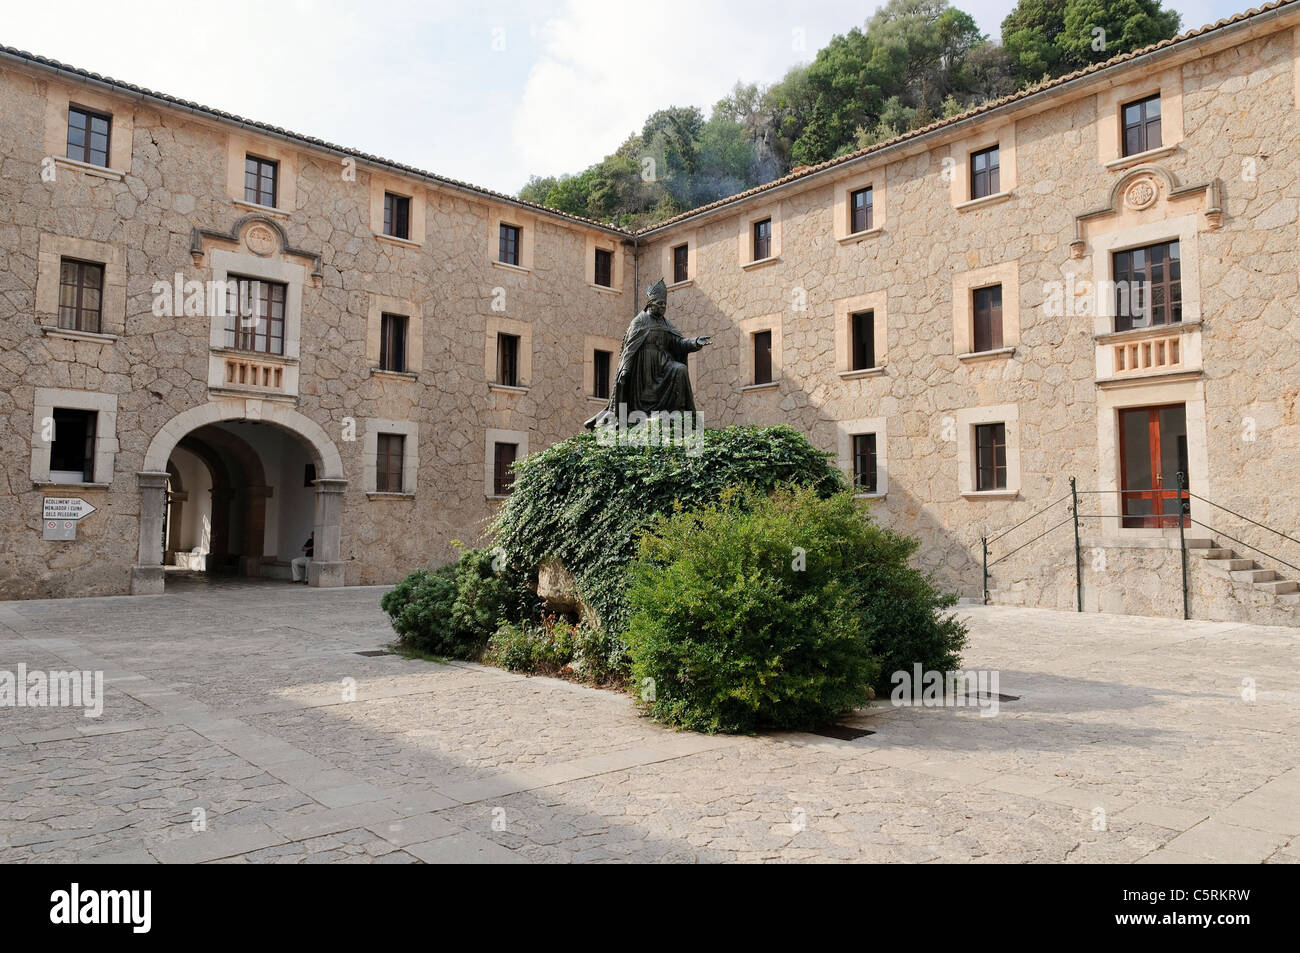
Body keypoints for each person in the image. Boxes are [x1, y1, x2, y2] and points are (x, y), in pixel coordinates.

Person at [585, 278, 711, 428]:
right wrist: (625, 369)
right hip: (643, 370)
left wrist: (695, 342)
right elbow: (629, 349)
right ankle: (641, 415)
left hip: (664, 365)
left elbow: (677, 343)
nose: (663, 307)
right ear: (650, 304)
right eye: (660, 304)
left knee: (680, 369)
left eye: (664, 304)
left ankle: (676, 412)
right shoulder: (639, 321)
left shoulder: (666, 323)